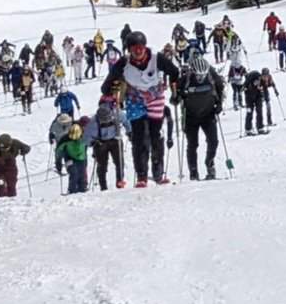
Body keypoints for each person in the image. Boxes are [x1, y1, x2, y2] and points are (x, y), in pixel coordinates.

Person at [103, 30, 182, 187]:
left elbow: (174, 72)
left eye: (140, 48)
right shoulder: (123, 63)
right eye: (134, 49)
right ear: (129, 50)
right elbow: (106, 86)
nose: (138, 52)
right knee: (139, 138)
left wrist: (176, 91)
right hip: (134, 100)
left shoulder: (156, 58)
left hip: (155, 97)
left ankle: (158, 174)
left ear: (145, 47)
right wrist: (114, 89)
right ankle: (142, 176)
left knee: (156, 135)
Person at [179, 55, 225, 181]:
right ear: (193, 72)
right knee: (193, 144)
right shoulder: (186, 79)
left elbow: (220, 88)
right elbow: (178, 93)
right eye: (198, 75)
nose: (200, 78)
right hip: (190, 116)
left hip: (208, 114)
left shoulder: (212, 77)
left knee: (213, 141)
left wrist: (219, 104)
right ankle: (193, 172)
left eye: (203, 75)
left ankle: (209, 162)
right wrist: (177, 98)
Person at [92, 95, 126, 189]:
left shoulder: (116, 114)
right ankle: (105, 185)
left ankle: (118, 181)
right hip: (102, 142)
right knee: (104, 165)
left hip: (114, 140)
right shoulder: (97, 117)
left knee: (118, 162)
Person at [0, 133, 30, 198]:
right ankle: (0, 200)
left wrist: (24, 150)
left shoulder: (15, 143)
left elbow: (27, 147)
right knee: (0, 184)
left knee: (11, 185)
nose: (4, 150)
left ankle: (12, 200)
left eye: (6, 148)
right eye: (2, 149)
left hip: (11, 166)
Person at [58, 122, 89, 194]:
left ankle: (82, 190)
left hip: (81, 158)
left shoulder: (84, 137)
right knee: (74, 174)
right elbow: (58, 151)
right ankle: (72, 191)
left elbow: (86, 147)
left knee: (82, 174)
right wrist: (58, 162)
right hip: (69, 158)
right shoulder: (64, 139)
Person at [244, 68, 275, 136]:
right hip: (249, 99)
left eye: (257, 80)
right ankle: (248, 129)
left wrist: (264, 96)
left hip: (258, 97)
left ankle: (260, 127)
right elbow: (243, 90)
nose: (256, 82)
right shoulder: (248, 83)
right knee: (249, 113)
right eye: (255, 81)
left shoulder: (261, 81)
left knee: (259, 112)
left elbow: (265, 89)